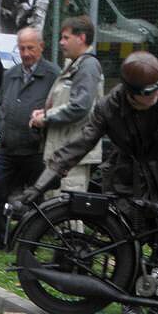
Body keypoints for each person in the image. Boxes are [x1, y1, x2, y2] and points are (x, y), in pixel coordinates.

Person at [20, 51, 158, 314]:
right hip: (126, 177)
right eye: (147, 93)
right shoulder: (108, 107)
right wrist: (41, 183)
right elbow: (80, 143)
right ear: (130, 92)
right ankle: (130, 297)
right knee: (128, 236)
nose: (154, 96)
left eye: (157, 90)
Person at [0, 26, 58, 249]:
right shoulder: (11, 74)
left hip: (35, 150)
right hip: (8, 147)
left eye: (30, 48)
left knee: (38, 197)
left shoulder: (53, 75)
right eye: (22, 48)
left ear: (41, 47)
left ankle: (31, 239)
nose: (26, 53)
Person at [28, 15, 103, 195]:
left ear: (82, 38)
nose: (61, 43)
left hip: (73, 156)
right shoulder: (74, 65)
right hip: (61, 151)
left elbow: (80, 107)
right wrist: (44, 111)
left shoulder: (88, 66)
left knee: (68, 213)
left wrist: (46, 118)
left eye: (66, 38)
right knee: (53, 211)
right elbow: (66, 100)